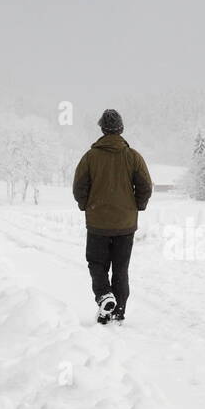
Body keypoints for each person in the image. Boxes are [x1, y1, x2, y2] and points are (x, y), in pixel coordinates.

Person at [72, 108, 153, 324]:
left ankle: (104, 296)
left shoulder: (90, 157)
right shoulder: (133, 157)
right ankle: (118, 312)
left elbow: (79, 187)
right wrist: (137, 206)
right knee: (120, 268)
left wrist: (86, 206)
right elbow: (145, 186)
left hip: (98, 223)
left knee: (96, 264)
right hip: (125, 225)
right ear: (121, 129)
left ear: (102, 128)